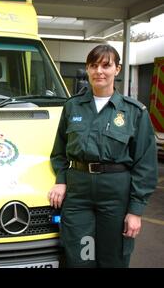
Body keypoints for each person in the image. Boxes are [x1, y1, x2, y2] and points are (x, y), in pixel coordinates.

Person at [48, 44, 157, 268]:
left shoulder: (134, 112)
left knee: (113, 258)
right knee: (80, 257)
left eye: (106, 65)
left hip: (115, 195)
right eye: (94, 65)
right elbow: (59, 151)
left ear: (117, 70)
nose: (100, 71)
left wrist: (135, 211)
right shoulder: (73, 107)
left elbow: (145, 165)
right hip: (79, 196)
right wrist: (61, 180)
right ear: (87, 69)